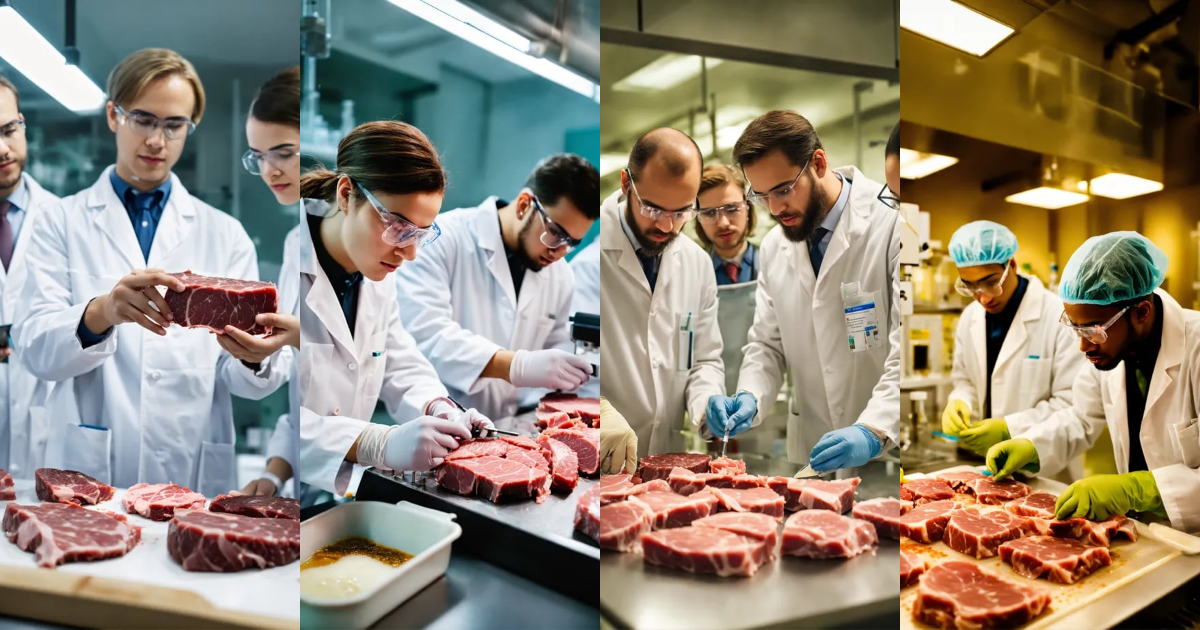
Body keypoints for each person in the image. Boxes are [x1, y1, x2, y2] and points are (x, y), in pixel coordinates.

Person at [13, 49, 292, 496]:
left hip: (191, 461)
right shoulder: (59, 222)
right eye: (143, 120)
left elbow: (246, 383)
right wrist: (102, 312)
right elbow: (33, 349)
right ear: (113, 116)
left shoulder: (226, 234)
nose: (157, 141)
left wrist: (254, 356)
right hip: (92, 468)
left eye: (174, 125)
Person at [296, 121, 492, 498]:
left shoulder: (375, 273)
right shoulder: (287, 263)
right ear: (346, 194)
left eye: (420, 234)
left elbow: (398, 361)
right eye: (398, 227)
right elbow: (277, 413)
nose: (410, 252)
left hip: (328, 491)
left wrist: (439, 408)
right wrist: (374, 442)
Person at [706, 110, 902, 471]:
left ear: (819, 163)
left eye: (783, 190)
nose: (774, 208)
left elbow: (903, 346)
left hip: (883, 451)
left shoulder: (890, 223)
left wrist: (874, 429)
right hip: (811, 446)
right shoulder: (774, 247)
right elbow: (767, 344)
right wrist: (750, 393)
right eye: (761, 195)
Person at [987, 232, 1200, 534]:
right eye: (1076, 329)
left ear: (1141, 312)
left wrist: (1140, 489)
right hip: (1146, 534)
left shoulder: (1196, 349)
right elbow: (1081, 416)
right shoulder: (1111, 351)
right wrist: (1032, 445)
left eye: (1094, 331)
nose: (1083, 347)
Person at [396, 155, 598, 421]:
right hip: (435, 421)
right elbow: (424, 335)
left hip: (505, 427)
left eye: (572, 243)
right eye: (556, 234)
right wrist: (515, 365)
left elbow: (555, 351)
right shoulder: (443, 238)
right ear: (524, 205)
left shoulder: (560, 276)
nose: (560, 252)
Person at [600, 127, 724, 467]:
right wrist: (599, 412)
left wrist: (707, 403)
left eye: (682, 212)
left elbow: (704, 360)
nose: (667, 227)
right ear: (626, 184)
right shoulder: (589, 254)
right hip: (600, 461)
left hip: (666, 463)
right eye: (653, 209)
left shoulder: (697, 263)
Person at [940, 221, 1084, 462]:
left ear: (1012, 265)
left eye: (990, 283)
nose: (983, 298)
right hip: (981, 460)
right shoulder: (970, 317)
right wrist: (960, 400)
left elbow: (1072, 403)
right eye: (970, 287)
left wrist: (1010, 428)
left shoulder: (1058, 316)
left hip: (1043, 461)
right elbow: (964, 379)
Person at [237, 66, 306, 498]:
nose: (269, 170)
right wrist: (275, 474)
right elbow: (303, 396)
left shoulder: (368, 245)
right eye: (258, 156)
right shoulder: (295, 240)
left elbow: (366, 373)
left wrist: (298, 336)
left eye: (283, 152)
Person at [0, 74, 60, 479]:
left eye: (8, 130)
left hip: (46, 432)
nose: (2, 149)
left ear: (22, 124)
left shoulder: (65, 220)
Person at [694, 165, 758, 285]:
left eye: (732, 209)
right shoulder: (691, 273)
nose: (723, 223)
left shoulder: (772, 261)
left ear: (748, 207)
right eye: (710, 213)